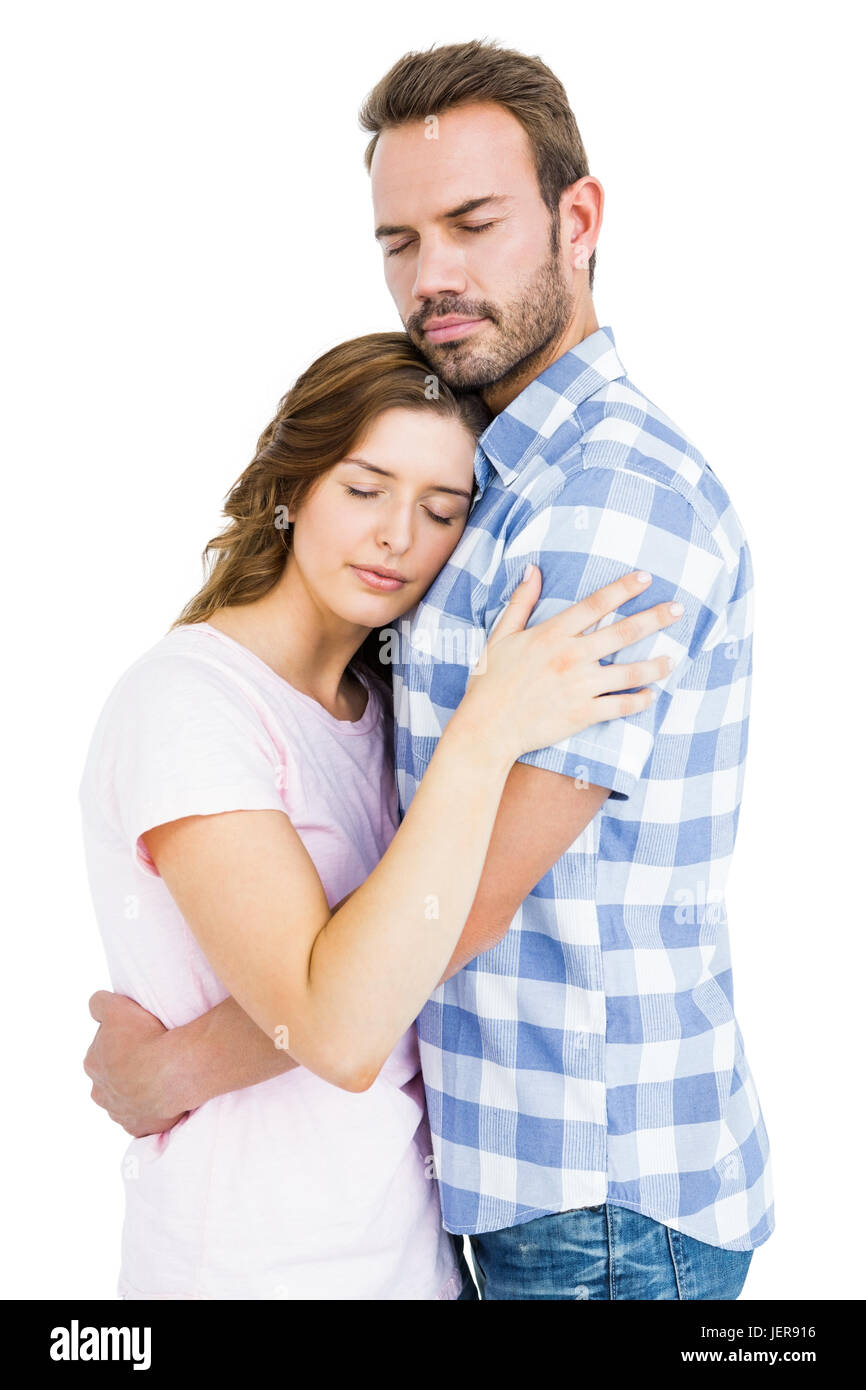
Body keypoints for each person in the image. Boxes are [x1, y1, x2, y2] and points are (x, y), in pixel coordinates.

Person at [85, 38, 774, 1300]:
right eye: (398, 241)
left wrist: (174, 1070)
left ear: (578, 219)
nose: (432, 276)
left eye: (471, 222)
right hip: (502, 1186)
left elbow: (462, 906)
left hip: (599, 1192)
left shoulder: (606, 505)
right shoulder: (490, 480)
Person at [78, 330, 678, 1300]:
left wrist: (171, 1070)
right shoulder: (188, 704)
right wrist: (486, 733)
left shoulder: (384, 710)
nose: (399, 534)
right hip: (247, 1270)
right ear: (290, 483)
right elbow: (338, 1026)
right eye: (365, 489)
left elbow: (415, 953)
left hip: (412, 1265)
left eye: (441, 510)